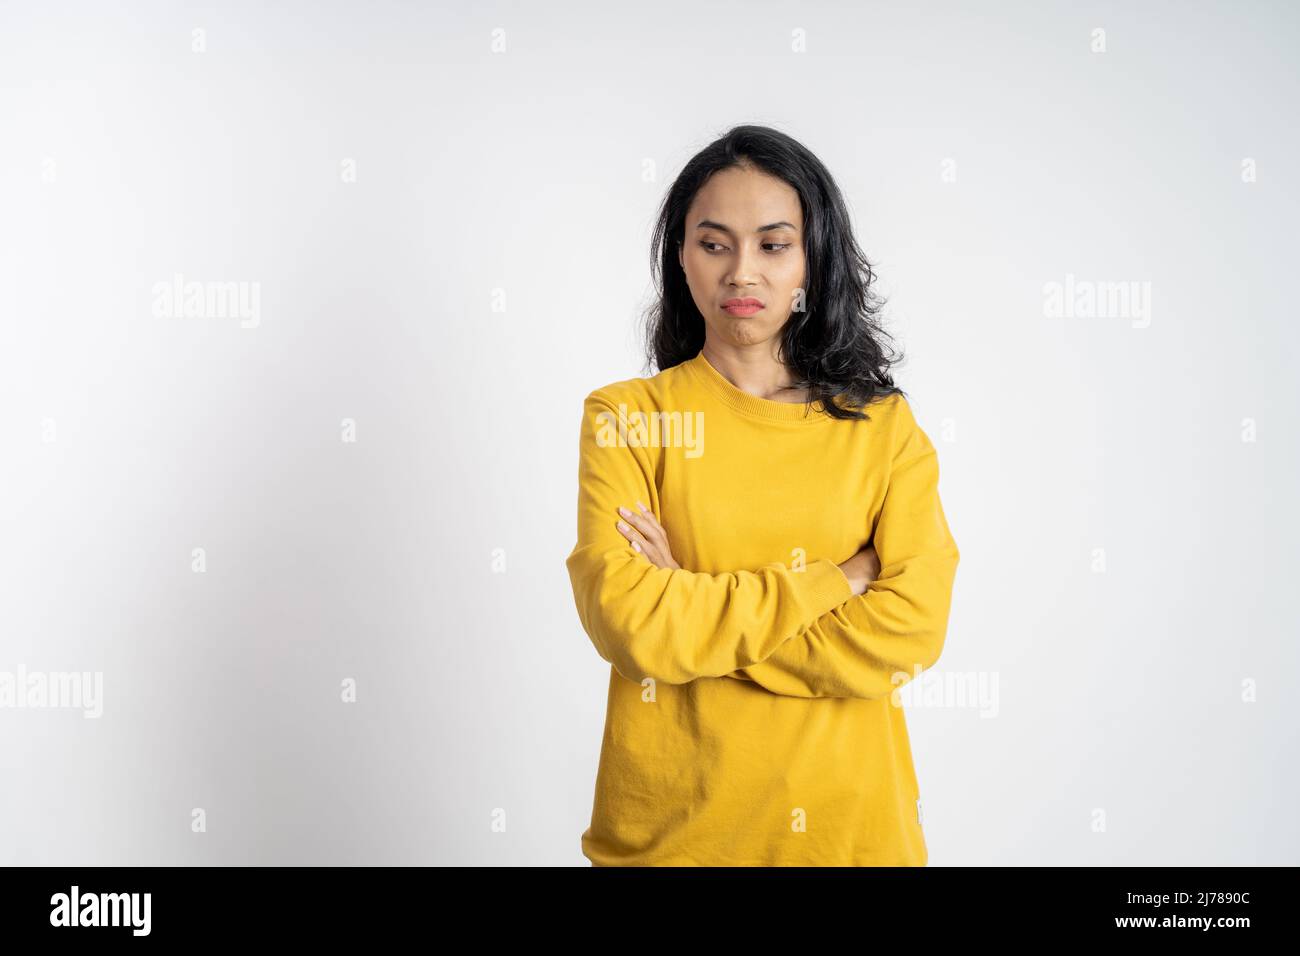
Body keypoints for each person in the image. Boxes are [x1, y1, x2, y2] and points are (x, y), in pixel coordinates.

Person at [564, 124, 960, 866]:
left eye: (773, 245)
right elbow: (632, 628)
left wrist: (690, 598)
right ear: (680, 257)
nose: (742, 272)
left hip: (852, 841)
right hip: (672, 842)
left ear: (812, 260)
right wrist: (835, 581)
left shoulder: (883, 429)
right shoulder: (629, 418)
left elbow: (909, 633)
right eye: (715, 244)